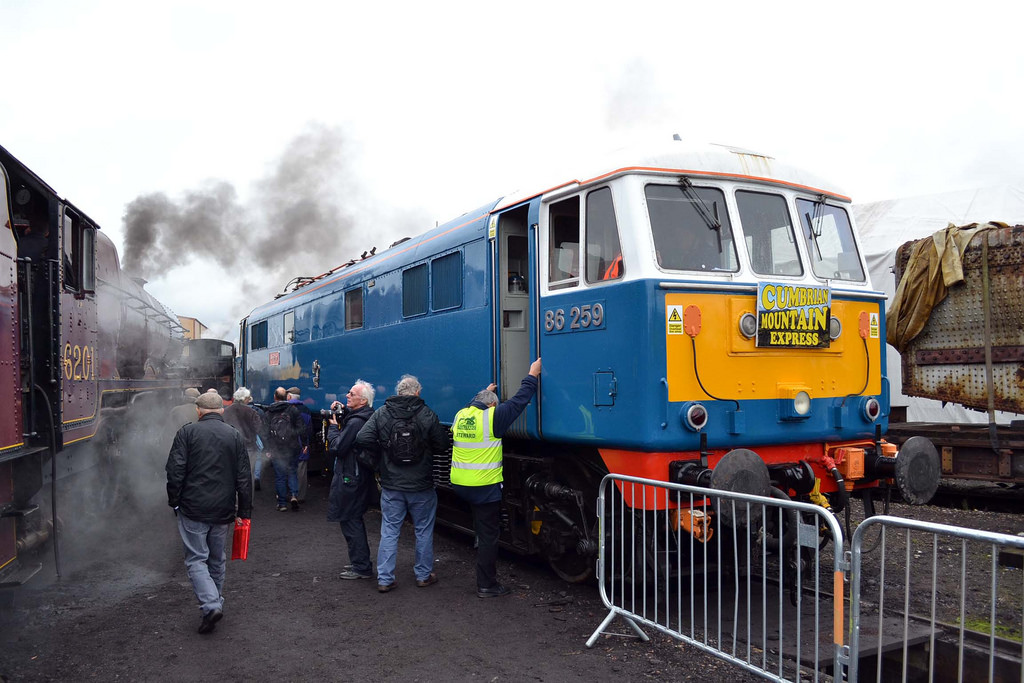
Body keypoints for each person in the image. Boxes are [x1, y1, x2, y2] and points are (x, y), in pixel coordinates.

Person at [451, 358, 542, 598]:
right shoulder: (493, 418)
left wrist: (485, 393)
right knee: (489, 536)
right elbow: (519, 401)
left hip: (461, 484)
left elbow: (475, 404)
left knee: (481, 528)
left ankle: (484, 569)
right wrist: (532, 374)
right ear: (492, 407)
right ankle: (486, 585)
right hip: (484, 487)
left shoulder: (461, 415)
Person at [165, 391, 252, 634]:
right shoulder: (234, 436)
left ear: (198, 410)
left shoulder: (186, 433)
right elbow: (243, 478)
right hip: (223, 509)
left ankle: (211, 605)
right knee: (216, 559)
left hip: (193, 507)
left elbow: (175, 471)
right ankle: (213, 605)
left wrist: (175, 501)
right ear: (222, 410)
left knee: (196, 559)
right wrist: (244, 511)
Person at [355, 375, 448, 593]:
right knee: (423, 530)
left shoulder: (383, 412)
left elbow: (362, 438)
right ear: (417, 392)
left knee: (389, 531)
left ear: (398, 391)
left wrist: (385, 451)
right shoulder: (427, 414)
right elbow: (443, 445)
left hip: (392, 485)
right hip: (421, 486)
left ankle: (385, 579)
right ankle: (423, 575)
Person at [325, 380, 376, 580]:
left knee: (350, 520)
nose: (347, 395)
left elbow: (338, 447)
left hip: (350, 477)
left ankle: (361, 567)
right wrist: (343, 412)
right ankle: (359, 562)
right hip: (356, 475)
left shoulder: (356, 422)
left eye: (352, 394)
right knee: (352, 519)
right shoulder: (364, 417)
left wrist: (333, 427)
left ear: (362, 400)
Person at [263, 386, 308, 512]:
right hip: (292, 446)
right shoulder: (293, 410)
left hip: (276, 448)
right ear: (287, 397)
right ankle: (294, 496)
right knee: (292, 471)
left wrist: (267, 448)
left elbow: (265, 433)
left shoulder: (269, 412)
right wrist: (304, 444)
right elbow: (302, 429)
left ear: (274, 397)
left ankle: (282, 503)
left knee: (280, 476)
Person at [223, 387, 268, 494]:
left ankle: (235, 502)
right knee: (249, 475)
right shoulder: (251, 412)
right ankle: (248, 503)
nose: (250, 400)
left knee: (233, 475)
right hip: (249, 447)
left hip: (231, 447)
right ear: (244, 399)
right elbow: (259, 429)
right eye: (248, 398)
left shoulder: (226, 411)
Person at [286, 386, 313, 502]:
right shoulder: (306, 410)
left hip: (288, 445)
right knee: (301, 470)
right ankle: (300, 496)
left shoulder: (285, 409)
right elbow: (309, 429)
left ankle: (291, 494)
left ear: (289, 396)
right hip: (302, 444)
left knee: (289, 469)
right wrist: (306, 443)